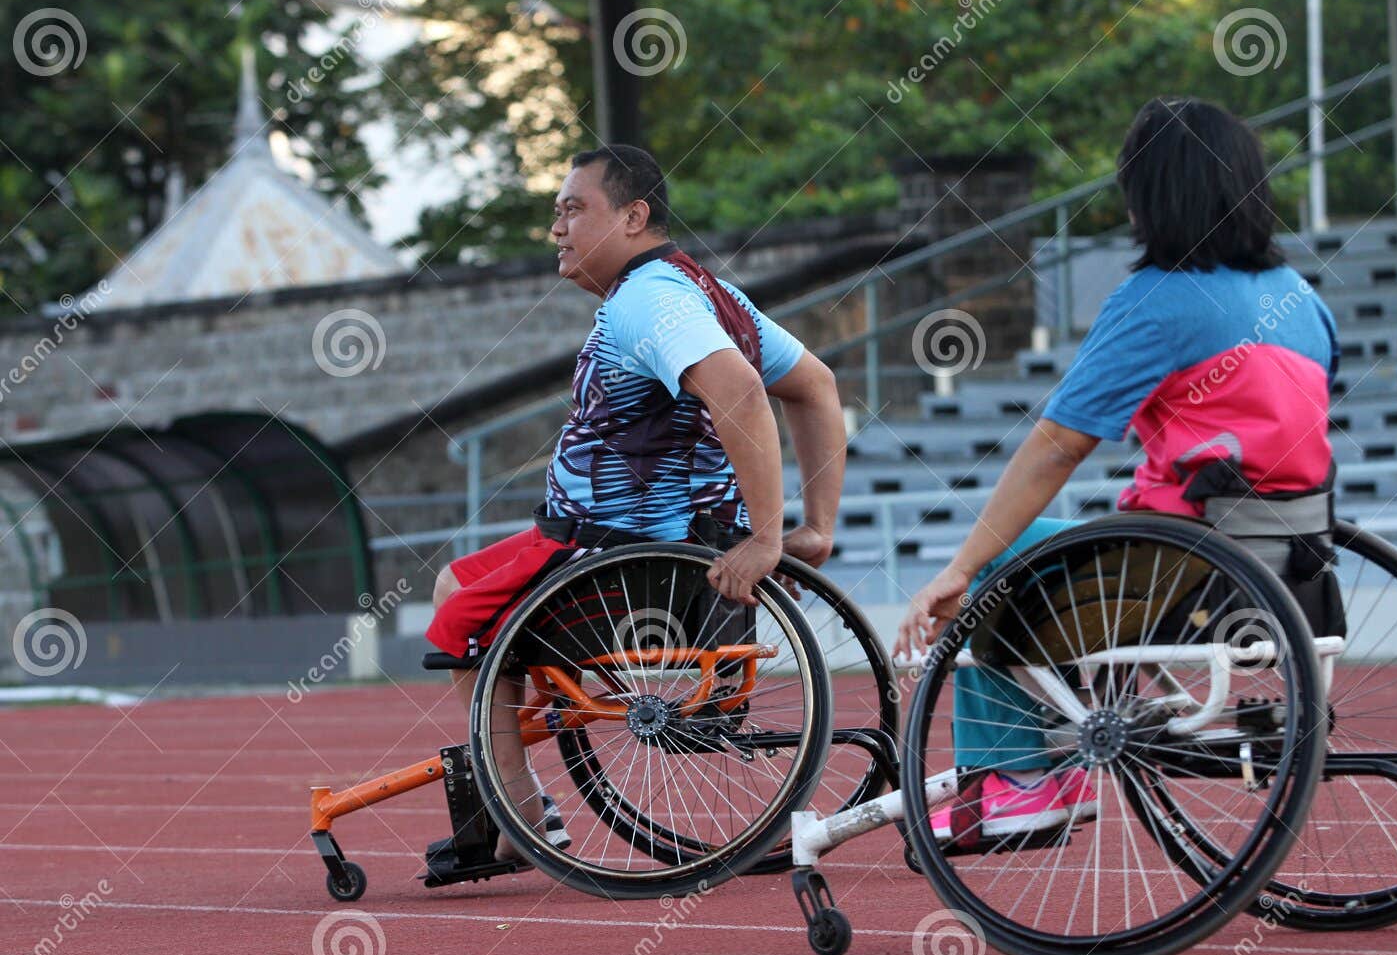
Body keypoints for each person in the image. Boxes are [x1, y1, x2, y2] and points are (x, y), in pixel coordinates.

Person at [894, 97, 1339, 844]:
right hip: (1291, 562)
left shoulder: (1157, 302)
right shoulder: (1301, 299)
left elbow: (1059, 446)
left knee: (1006, 554)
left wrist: (960, 566)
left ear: (1149, 196)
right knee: (1068, 551)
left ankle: (1019, 780)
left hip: (1182, 564)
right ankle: (1056, 738)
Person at [427, 143, 846, 861]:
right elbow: (817, 385)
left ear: (634, 216)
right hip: (662, 560)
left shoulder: (646, 300)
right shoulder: (708, 292)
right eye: (554, 213)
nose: (556, 228)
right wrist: (820, 526)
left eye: (572, 209)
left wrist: (772, 537)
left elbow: (741, 392)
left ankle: (517, 815)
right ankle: (511, 791)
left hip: (619, 565)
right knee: (475, 594)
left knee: (456, 594)